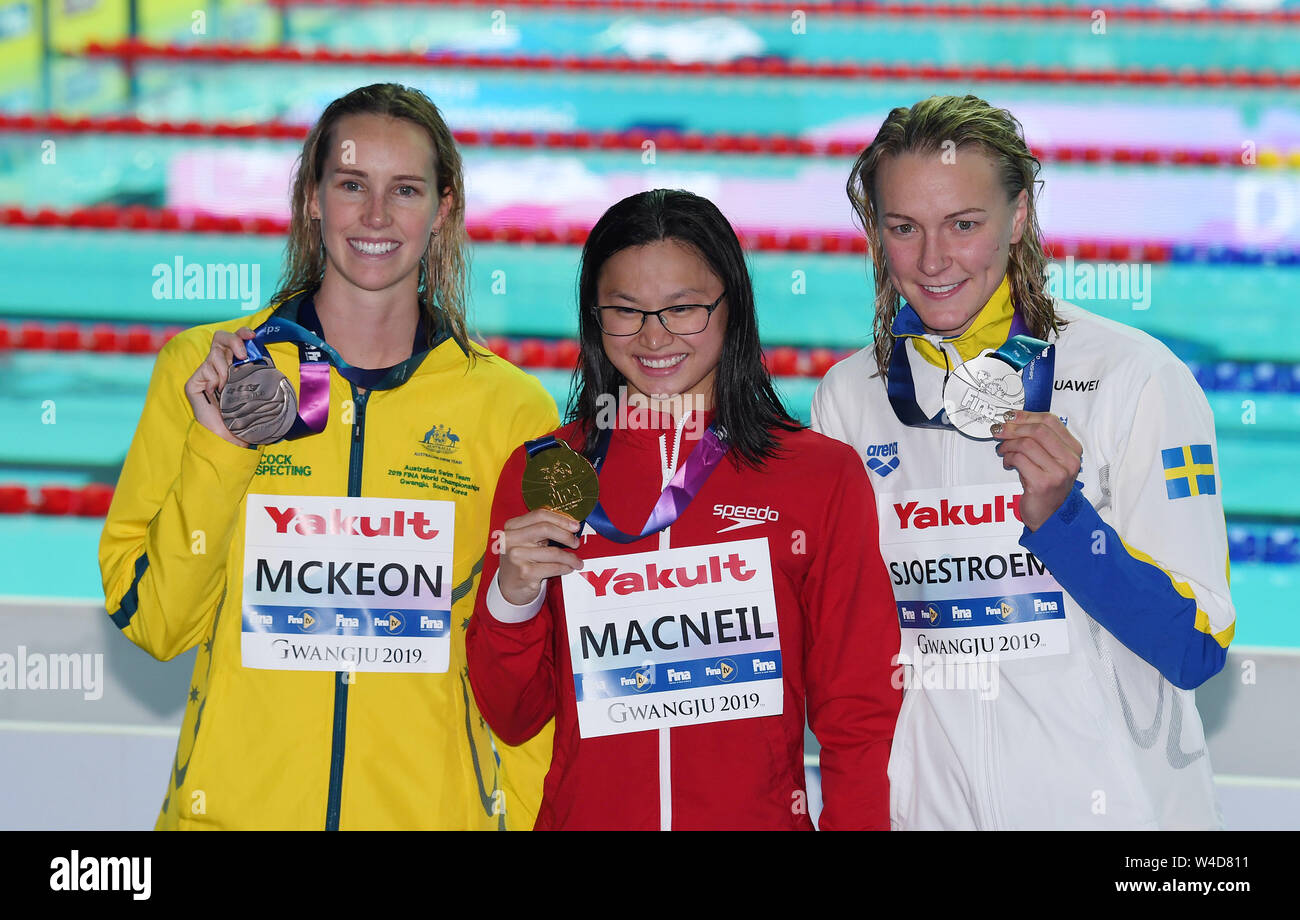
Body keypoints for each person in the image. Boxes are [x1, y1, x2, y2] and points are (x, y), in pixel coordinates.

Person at [99, 83, 557, 830]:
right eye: (351, 185)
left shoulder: (508, 410)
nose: (376, 217)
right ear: (313, 199)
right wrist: (222, 445)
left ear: (443, 210)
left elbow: (529, 663)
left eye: (404, 190)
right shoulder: (205, 371)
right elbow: (155, 623)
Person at [812, 94, 1236, 829]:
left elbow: (1195, 646)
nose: (933, 260)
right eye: (904, 228)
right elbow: (847, 655)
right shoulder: (851, 397)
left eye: (964, 225)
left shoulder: (1130, 377)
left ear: (1019, 220)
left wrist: (1066, 521)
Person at [466, 188, 901, 830]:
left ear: (732, 308)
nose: (654, 337)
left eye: (684, 309)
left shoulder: (816, 476)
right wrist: (514, 597)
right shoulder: (549, 474)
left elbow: (857, 712)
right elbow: (514, 714)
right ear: (594, 316)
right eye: (626, 310)